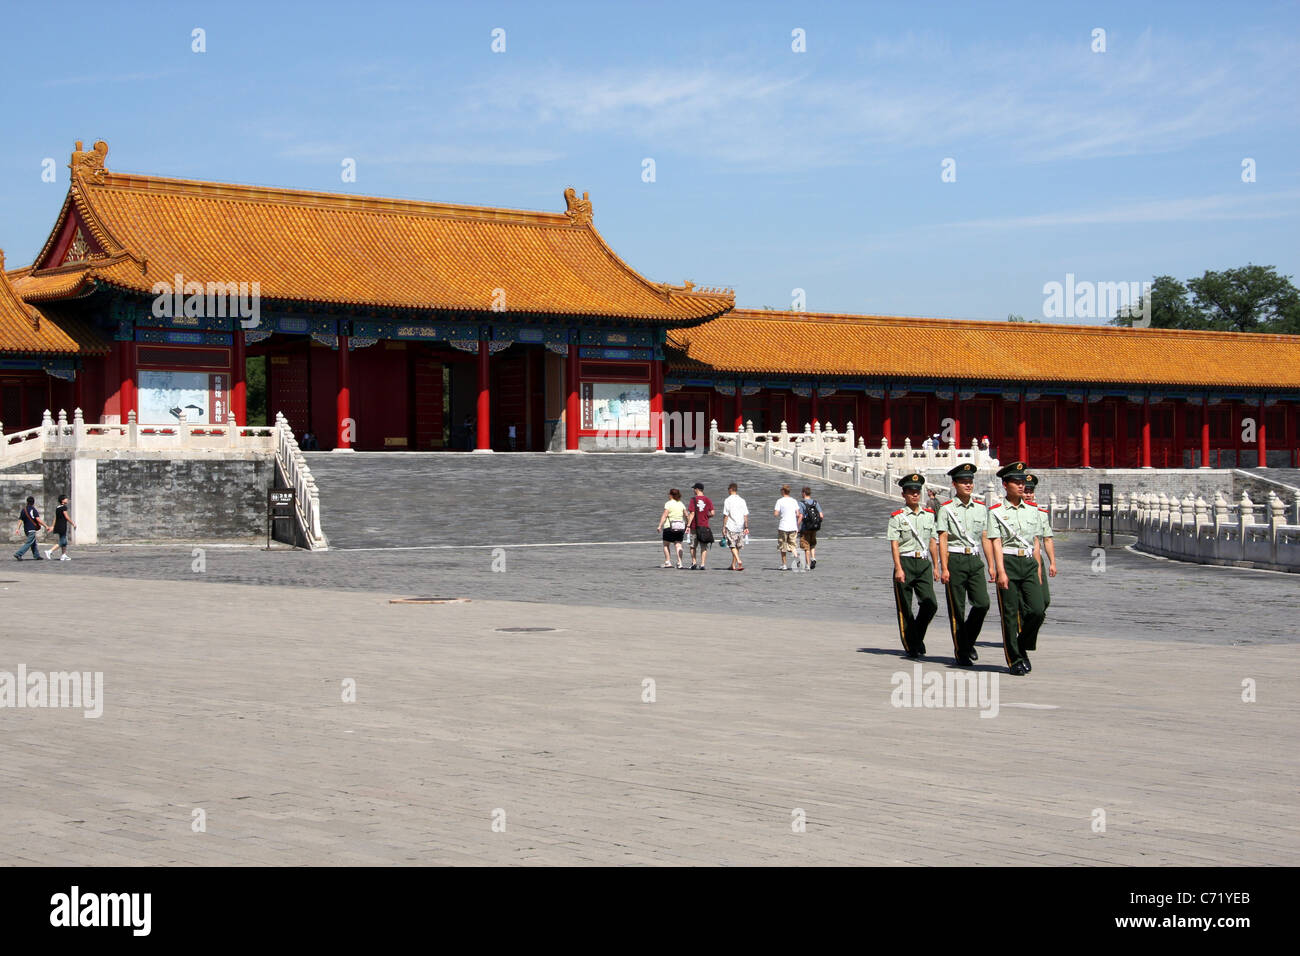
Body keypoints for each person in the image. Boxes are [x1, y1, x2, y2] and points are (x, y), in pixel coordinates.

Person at [987, 461, 1046, 676]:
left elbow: (1036, 541)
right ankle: (1014, 658)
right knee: (1010, 614)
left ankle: (1022, 645)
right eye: (1016, 482)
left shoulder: (1033, 510)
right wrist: (1000, 571)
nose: (1021, 486)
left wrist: (1038, 567)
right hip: (1009, 563)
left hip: (1029, 563)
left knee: (1038, 609)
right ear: (1005, 484)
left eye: (1023, 482)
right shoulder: (996, 512)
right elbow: (995, 542)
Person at [937, 462, 993, 667]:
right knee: (957, 609)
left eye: (970, 482)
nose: (968, 485)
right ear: (955, 484)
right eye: (964, 482)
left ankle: (967, 641)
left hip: (974, 560)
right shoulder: (946, 509)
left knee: (982, 603)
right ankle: (961, 651)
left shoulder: (980, 508)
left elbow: (985, 537)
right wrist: (944, 567)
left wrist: (992, 565)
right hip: (955, 559)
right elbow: (942, 538)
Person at [888, 473, 939, 658]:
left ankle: (915, 636)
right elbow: (894, 544)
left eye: (917, 491)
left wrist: (936, 566)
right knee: (905, 608)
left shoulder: (929, 515)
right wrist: (899, 568)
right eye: (911, 492)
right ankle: (911, 645)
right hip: (906, 561)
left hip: (924, 562)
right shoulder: (897, 517)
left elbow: (933, 541)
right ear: (904, 495)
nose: (915, 495)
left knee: (930, 604)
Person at [1024, 473, 1056, 611]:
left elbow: (1047, 539)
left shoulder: (1041, 513)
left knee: (1044, 600)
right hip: (1022, 557)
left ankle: (1029, 630)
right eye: (1025, 492)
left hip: (1038, 559)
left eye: (1031, 492)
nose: (1028, 495)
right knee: (1027, 600)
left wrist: (1052, 563)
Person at [657, 488, 689, 568]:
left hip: (669, 526)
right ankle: (680, 562)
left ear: (671, 495)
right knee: (678, 544)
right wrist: (688, 525)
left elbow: (664, 515)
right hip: (680, 527)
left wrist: (660, 525)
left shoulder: (668, 503)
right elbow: (686, 515)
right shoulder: (681, 504)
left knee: (666, 544)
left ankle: (668, 562)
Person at [686, 482, 714, 570]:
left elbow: (692, 513)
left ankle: (694, 563)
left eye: (694, 489)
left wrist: (688, 525)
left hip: (694, 526)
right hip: (704, 526)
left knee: (693, 545)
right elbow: (712, 513)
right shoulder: (708, 500)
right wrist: (706, 516)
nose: (693, 490)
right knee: (703, 546)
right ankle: (702, 564)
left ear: (697, 489)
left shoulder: (693, 500)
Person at [722, 482, 749, 571]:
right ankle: (733, 565)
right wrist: (746, 526)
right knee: (737, 546)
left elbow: (726, 515)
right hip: (740, 526)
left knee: (732, 545)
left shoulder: (728, 500)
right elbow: (745, 515)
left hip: (731, 526)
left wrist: (724, 526)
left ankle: (738, 560)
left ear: (730, 489)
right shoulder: (742, 500)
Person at [14, 495, 50, 561]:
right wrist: (46, 526)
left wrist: (17, 529)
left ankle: (36, 555)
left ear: (27, 502)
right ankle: (19, 554)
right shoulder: (33, 510)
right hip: (32, 529)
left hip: (26, 529)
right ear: (33, 502)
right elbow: (38, 519)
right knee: (29, 542)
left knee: (33, 542)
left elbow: (20, 520)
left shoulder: (23, 510)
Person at [773, 484, 801, 570]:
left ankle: (784, 564)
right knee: (792, 544)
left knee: (783, 545)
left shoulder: (780, 501)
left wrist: (779, 513)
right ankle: (796, 556)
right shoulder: (794, 501)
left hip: (783, 526)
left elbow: (776, 514)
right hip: (793, 526)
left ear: (783, 491)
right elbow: (798, 513)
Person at [45, 494, 77, 561]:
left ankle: (63, 555)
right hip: (62, 526)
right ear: (62, 500)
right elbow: (66, 516)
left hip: (58, 526)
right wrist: (73, 523)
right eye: (66, 499)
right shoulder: (63, 507)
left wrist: (53, 526)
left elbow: (55, 518)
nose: (67, 500)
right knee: (62, 541)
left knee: (64, 541)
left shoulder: (58, 507)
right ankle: (50, 551)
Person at [798, 486, 823, 570]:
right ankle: (813, 558)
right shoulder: (815, 503)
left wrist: (797, 526)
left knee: (806, 546)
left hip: (806, 528)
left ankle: (808, 564)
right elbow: (821, 515)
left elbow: (800, 516)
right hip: (814, 527)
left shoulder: (801, 503)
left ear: (804, 493)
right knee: (812, 544)